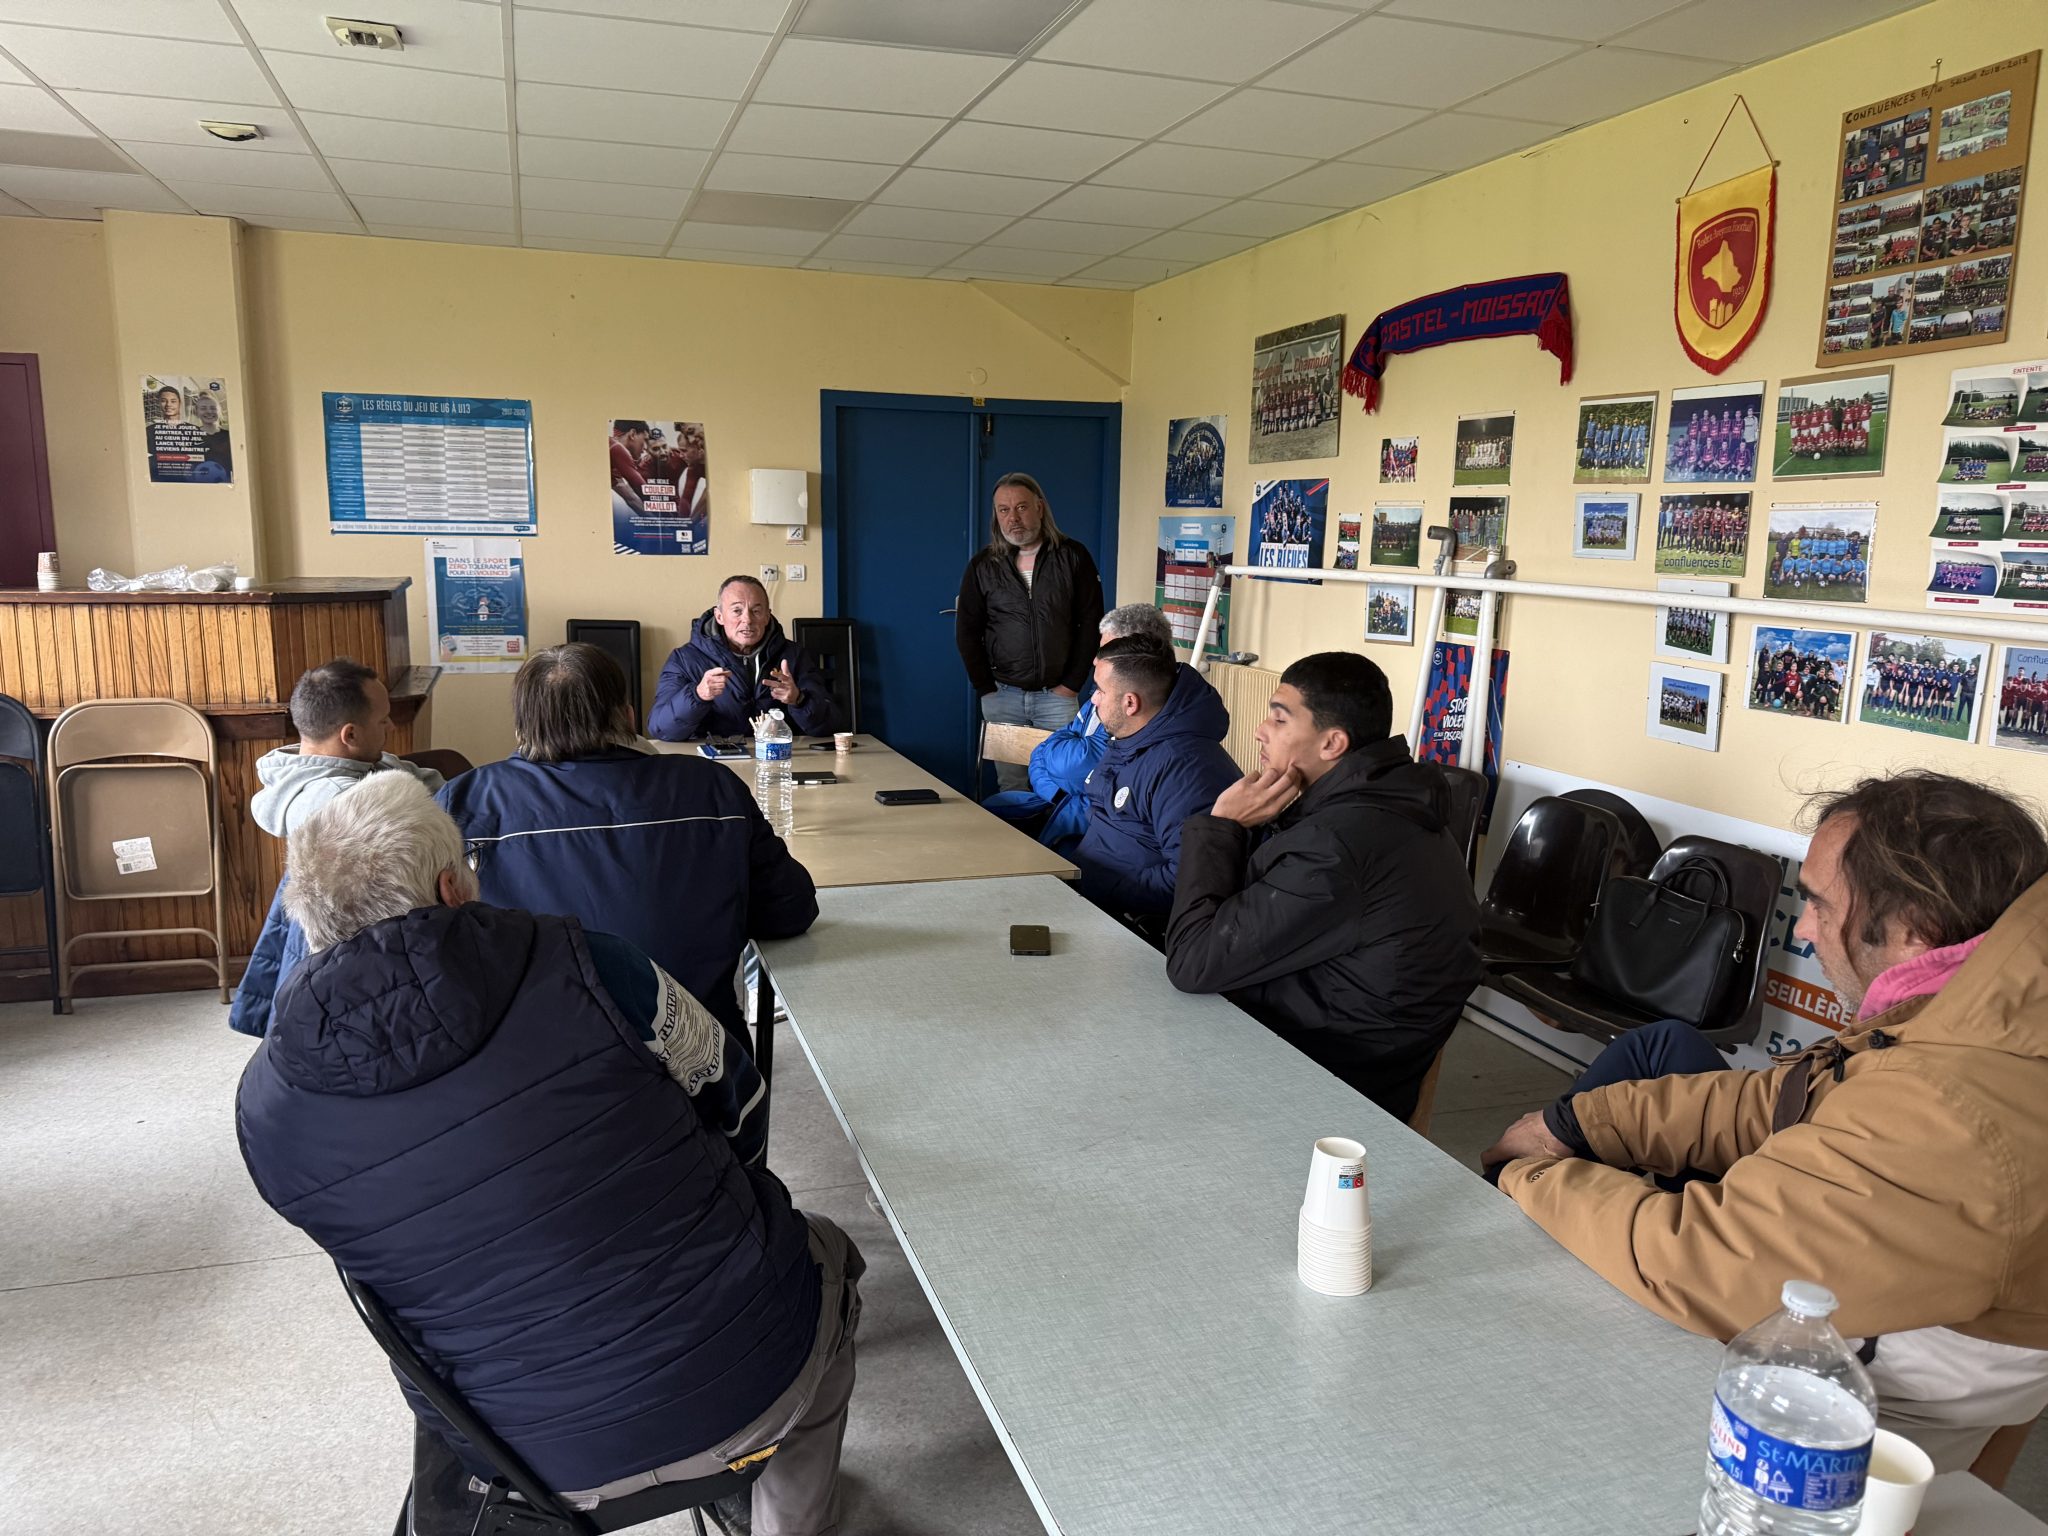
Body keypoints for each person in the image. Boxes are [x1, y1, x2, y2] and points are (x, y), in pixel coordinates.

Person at [237, 774, 860, 1535]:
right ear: (451, 888)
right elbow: (739, 1097)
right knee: (830, 1259)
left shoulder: (264, 1108)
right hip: (745, 1384)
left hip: (518, 1460)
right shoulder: (595, 963)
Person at [1483, 771, 2048, 1472]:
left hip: (1835, 1442)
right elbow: (1781, 1097)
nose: (1803, 930)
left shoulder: (1950, 1102)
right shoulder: (1969, 1017)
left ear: (1914, 930)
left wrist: (1533, 1175)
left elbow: (1703, 1262)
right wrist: (1578, 1123)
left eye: (1818, 903)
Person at [440, 643, 816, 1049]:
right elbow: (789, 909)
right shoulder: (712, 786)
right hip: (700, 1060)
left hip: (531, 1060)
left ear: (521, 727)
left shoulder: (462, 802)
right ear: (628, 715)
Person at [1163, 653, 1482, 1120]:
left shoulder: (1336, 843)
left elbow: (1193, 964)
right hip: (1353, 1030)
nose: (1260, 731)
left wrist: (1222, 825)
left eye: (1279, 719)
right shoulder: (1383, 801)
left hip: (1335, 1068)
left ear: (1332, 743)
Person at [229, 658, 443, 1038]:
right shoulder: (337, 805)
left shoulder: (358, 765)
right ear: (350, 735)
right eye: (383, 720)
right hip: (360, 955)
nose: (391, 728)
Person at [1070, 634, 1240, 919]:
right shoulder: (1130, 737)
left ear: (1130, 703)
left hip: (1123, 921)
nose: (1093, 698)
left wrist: (1104, 891)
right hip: (1087, 894)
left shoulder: (1186, 769)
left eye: (1100, 690)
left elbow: (1185, 882)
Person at [955, 472, 1104, 792]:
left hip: (1058, 697)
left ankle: (1053, 830)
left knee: (1061, 784)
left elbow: (1091, 623)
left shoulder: (1073, 556)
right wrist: (985, 686)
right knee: (1011, 785)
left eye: (1021, 507)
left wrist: (1071, 684)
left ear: (1040, 507)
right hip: (1002, 696)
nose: (1013, 518)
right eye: (1004, 510)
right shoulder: (983, 565)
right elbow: (967, 630)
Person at [984, 603, 1175, 851]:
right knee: (988, 816)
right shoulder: (1100, 696)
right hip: (1062, 804)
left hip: (1087, 824)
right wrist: (1056, 793)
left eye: (1107, 650)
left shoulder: (1134, 709)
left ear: (1137, 656)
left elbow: (1072, 768)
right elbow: (1042, 752)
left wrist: (1057, 784)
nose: (1096, 659)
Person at [648, 575, 835, 741]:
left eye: (756, 611)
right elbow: (660, 729)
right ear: (719, 616)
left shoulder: (794, 656)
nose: (747, 620)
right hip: (711, 761)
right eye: (737, 611)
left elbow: (831, 724)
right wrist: (698, 695)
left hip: (779, 759)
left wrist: (799, 699)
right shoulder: (685, 659)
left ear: (767, 616)